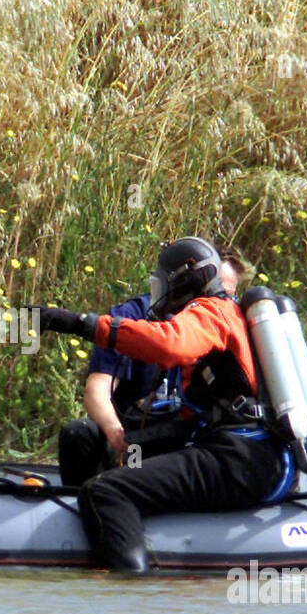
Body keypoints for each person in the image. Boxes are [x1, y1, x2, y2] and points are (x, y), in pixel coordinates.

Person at [36, 238, 281, 572]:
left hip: (235, 459)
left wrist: (79, 324)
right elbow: (196, 415)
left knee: (105, 492)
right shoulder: (230, 315)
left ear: (184, 281)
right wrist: (136, 441)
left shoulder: (210, 311)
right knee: (109, 455)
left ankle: (134, 591)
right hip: (246, 454)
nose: (159, 292)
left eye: (163, 283)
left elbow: (169, 345)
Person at [57, 250, 246, 486]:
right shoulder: (133, 317)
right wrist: (113, 429)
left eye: (228, 295)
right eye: (215, 290)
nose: (220, 302)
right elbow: (98, 389)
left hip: (186, 440)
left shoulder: (224, 325)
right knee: (80, 433)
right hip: (133, 441)